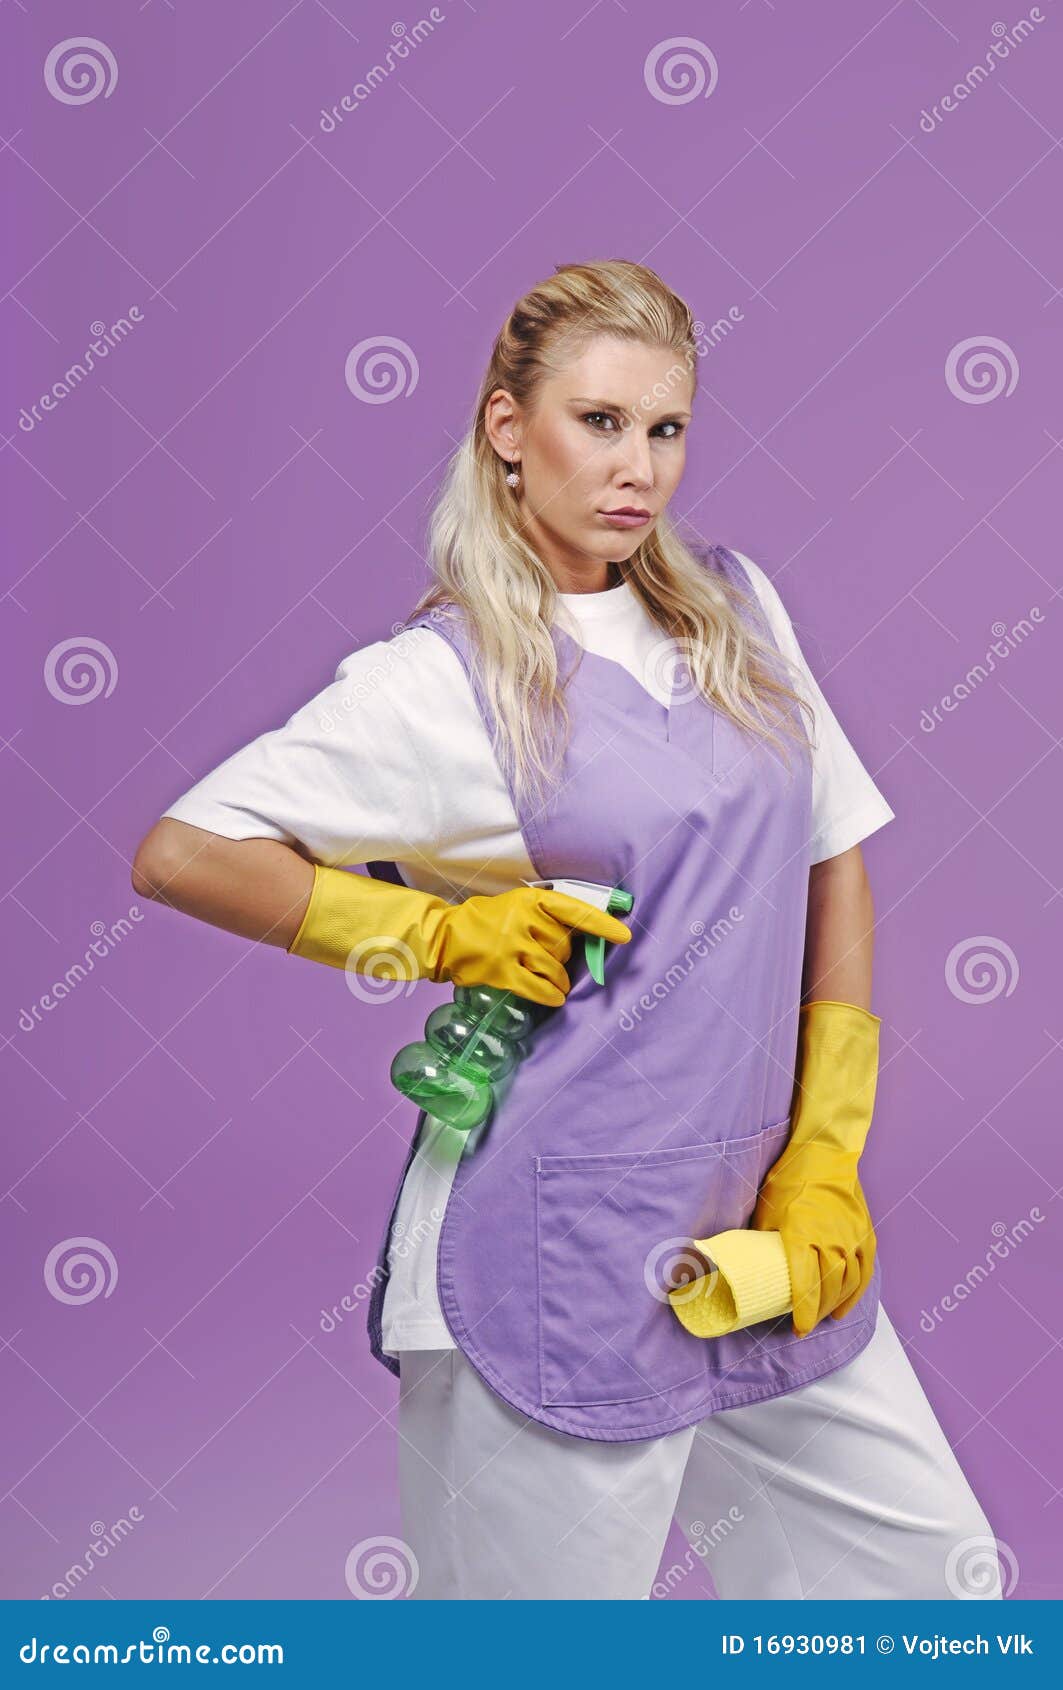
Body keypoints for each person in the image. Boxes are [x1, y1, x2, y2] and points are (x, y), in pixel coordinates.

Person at [132, 259, 1002, 1602]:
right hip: (553, 1251)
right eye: (597, 422)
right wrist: (437, 937)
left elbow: (834, 859)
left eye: (664, 429)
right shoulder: (441, 679)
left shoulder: (737, 610)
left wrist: (825, 1154)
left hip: (753, 1235)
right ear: (505, 428)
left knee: (924, 1586)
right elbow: (183, 852)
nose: (636, 467)